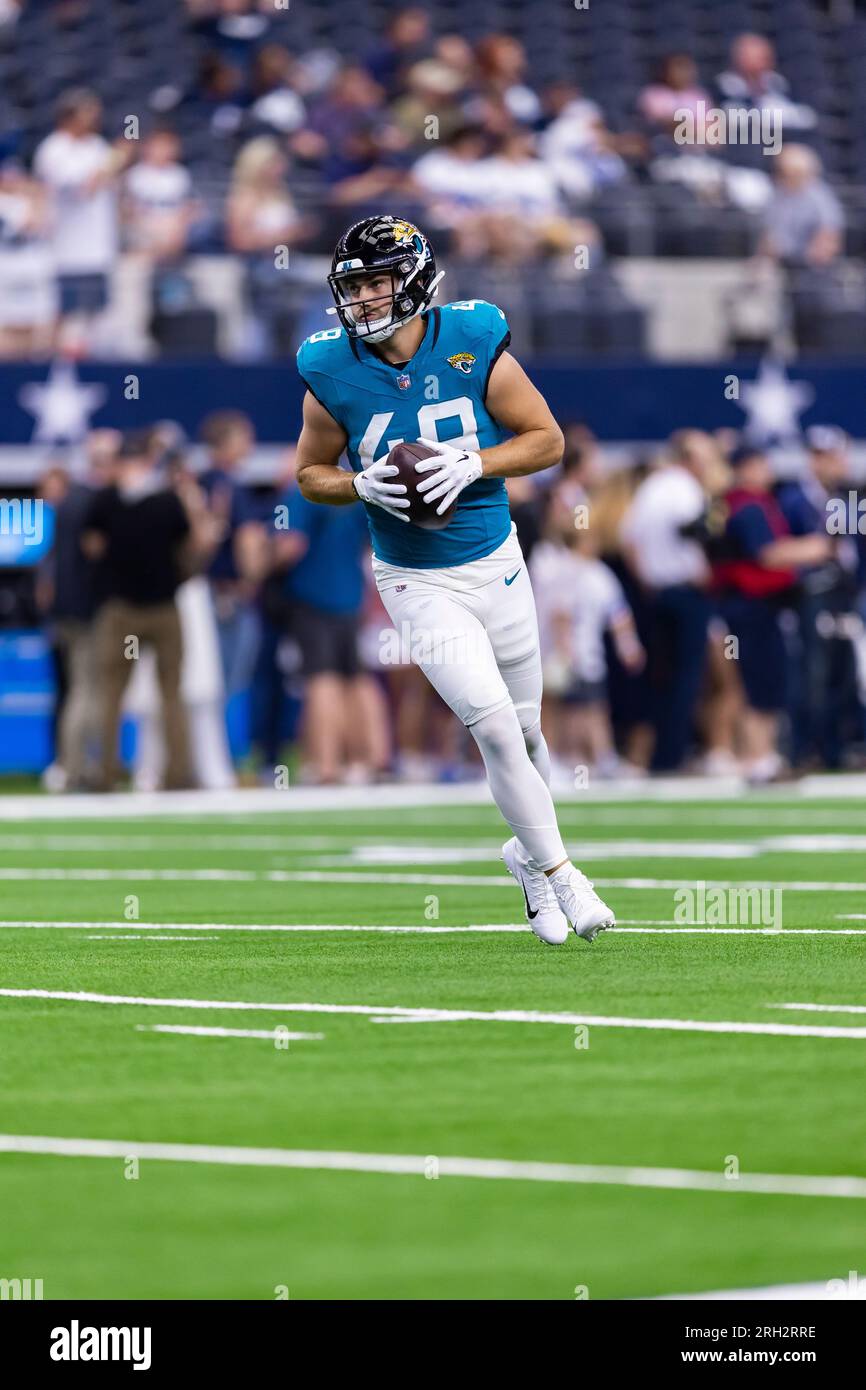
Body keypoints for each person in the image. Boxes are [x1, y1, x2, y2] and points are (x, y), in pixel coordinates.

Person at [294, 213, 615, 946]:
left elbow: (547, 440)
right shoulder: (328, 366)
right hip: (415, 578)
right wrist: (361, 486)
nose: (365, 300)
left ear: (415, 279)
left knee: (528, 733)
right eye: (355, 286)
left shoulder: (472, 336)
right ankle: (565, 873)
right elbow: (310, 474)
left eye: (377, 282)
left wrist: (475, 463)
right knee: (493, 726)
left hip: (498, 563)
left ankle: (527, 860)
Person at [82, 431, 195, 791]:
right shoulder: (167, 500)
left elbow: (92, 548)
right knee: (170, 693)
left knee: (112, 694)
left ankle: (106, 775)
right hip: (163, 606)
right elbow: (186, 549)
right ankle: (177, 774)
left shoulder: (106, 500)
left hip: (122, 609)